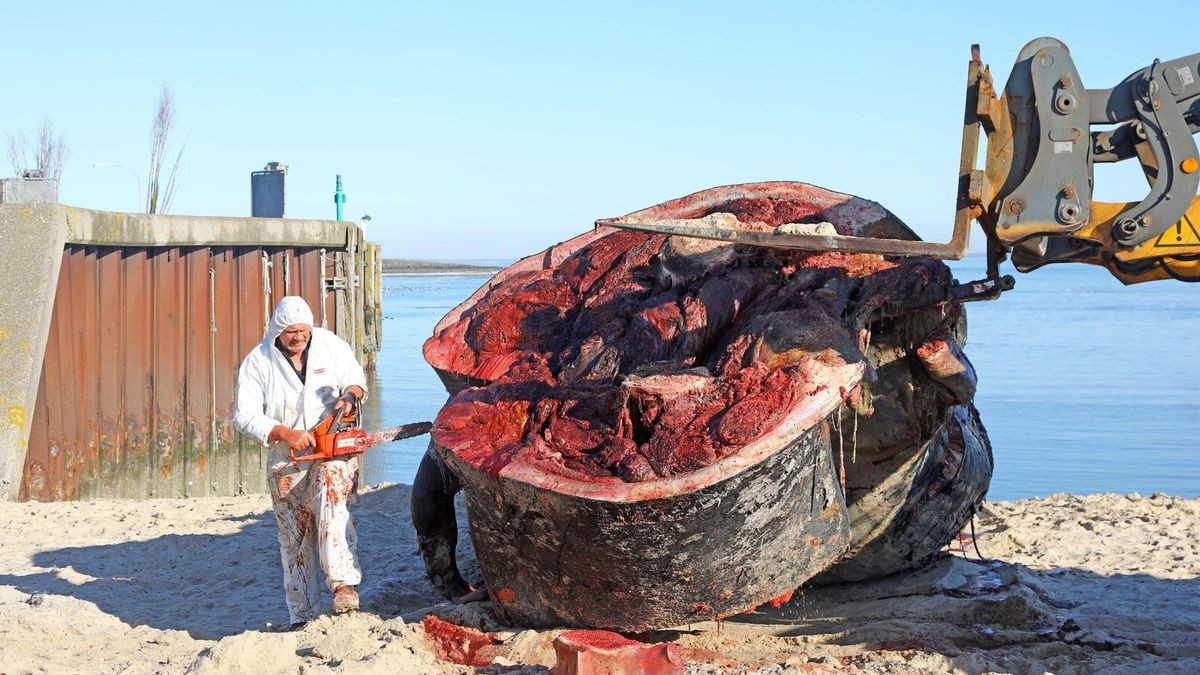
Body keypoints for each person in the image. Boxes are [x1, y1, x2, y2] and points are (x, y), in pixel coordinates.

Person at [233, 296, 369, 628]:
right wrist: (283, 432)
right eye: (291, 332)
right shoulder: (258, 361)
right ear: (278, 331)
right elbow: (244, 415)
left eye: (304, 331)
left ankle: (342, 582)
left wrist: (350, 398)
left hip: (331, 444)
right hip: (286, 455)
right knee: (295, 534)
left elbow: (355, 379)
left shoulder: (331, 345)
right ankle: (303, 614)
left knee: (331, 499)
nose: (298, 338)